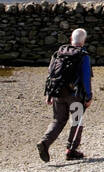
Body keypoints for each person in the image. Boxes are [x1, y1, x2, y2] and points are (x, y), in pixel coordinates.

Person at [37, 28, 93, 162]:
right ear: (83, 41)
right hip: (75, 94)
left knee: (58, 120)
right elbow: (86, 78)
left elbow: (51, 73)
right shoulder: (83, 56)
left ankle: (45, 142)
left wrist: (49, 94)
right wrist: (89, 96)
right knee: (76, 121)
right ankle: (71, 150)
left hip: (57, 92)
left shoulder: (58, 53)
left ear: (70, 39)